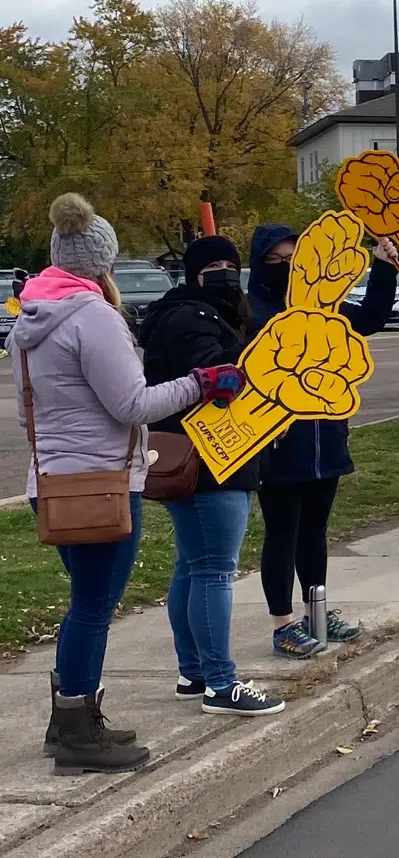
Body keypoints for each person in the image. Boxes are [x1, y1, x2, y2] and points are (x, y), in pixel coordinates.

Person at [10, 193, 244, 774]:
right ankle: (78, 735)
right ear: (103, 262)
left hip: (54, 479)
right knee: (92, 608)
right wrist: (202, 381)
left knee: (83, 602)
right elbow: (134, 404)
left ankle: (68, 717)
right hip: (102, 481)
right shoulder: (93, 318)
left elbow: (27, 412)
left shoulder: (31, 319)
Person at [139, 236, 284, 718]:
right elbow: (223, 379)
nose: (223, 273)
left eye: (230, 264)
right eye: (212, 265)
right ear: (191, 273)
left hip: (202, 457)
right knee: (214, 571)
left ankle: (194, 670)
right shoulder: (191, 319)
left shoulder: (199, 314)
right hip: (211, 457)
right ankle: (220, 682)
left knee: (193, 566)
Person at [247, 223, 399, 659]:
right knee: (282, 532)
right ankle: (282, 622)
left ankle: (318, 610)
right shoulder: (254, 311)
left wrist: (384, 267)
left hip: (326, 439)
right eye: (274, 261)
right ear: (260, 265)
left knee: (314, 532)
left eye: (293, 260)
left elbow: (369, 318)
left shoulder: (325, 307)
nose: (285, 268)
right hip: (277, 445)